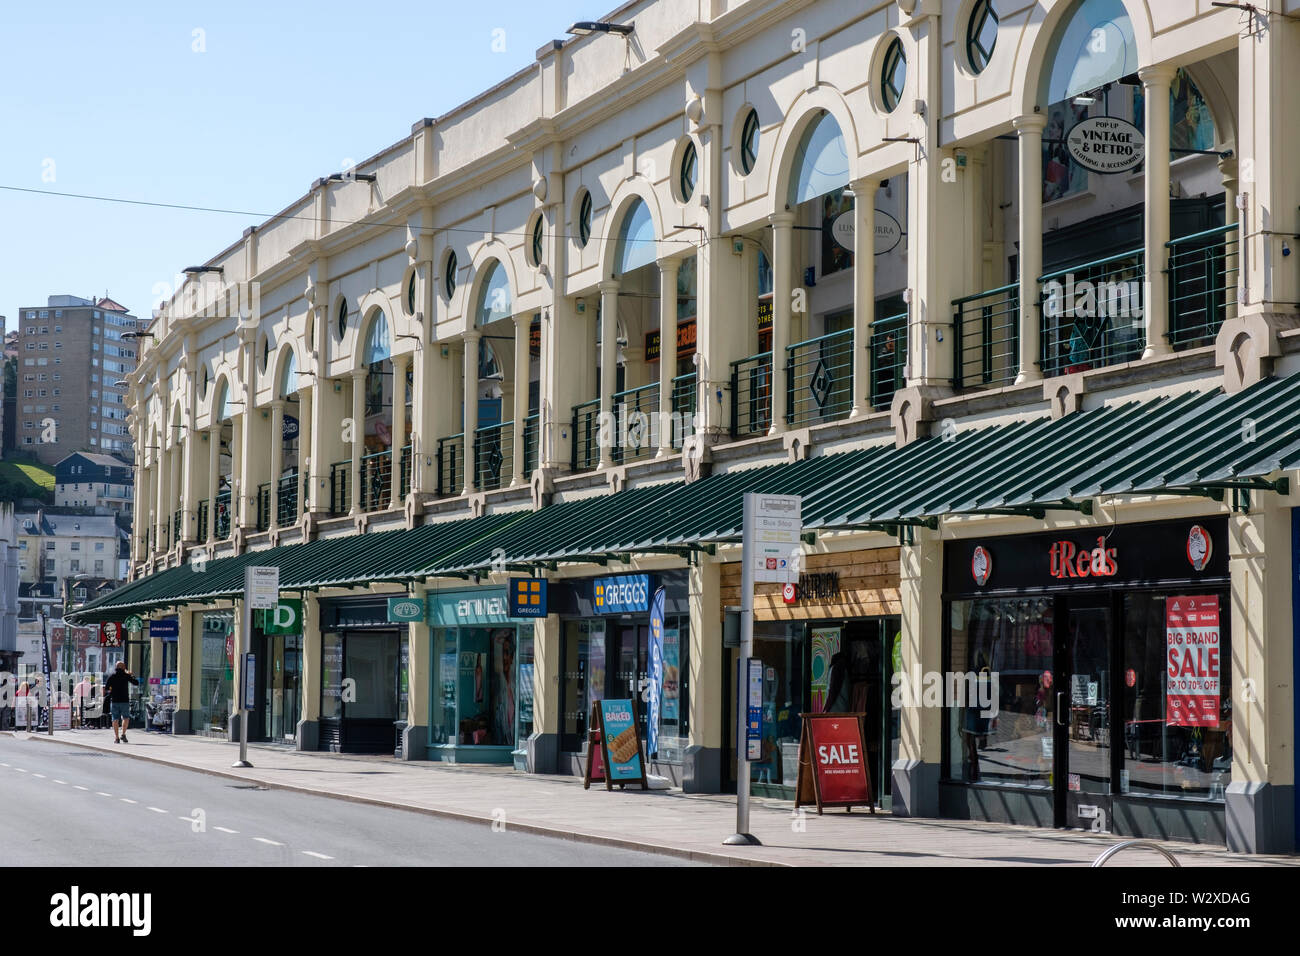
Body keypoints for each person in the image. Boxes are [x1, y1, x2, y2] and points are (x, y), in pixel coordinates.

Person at [104, 661, 139, 743]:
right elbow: (136, 683)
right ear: (123, 667)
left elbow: (106, 688)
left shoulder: (112, 676)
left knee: (115, 719)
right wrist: (131, 675)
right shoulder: (126, 676)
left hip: (115, 700)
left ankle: (116, 737)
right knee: (126, 718)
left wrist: (112, 692)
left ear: (116, 667)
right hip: (124, 700)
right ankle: (123, 734)